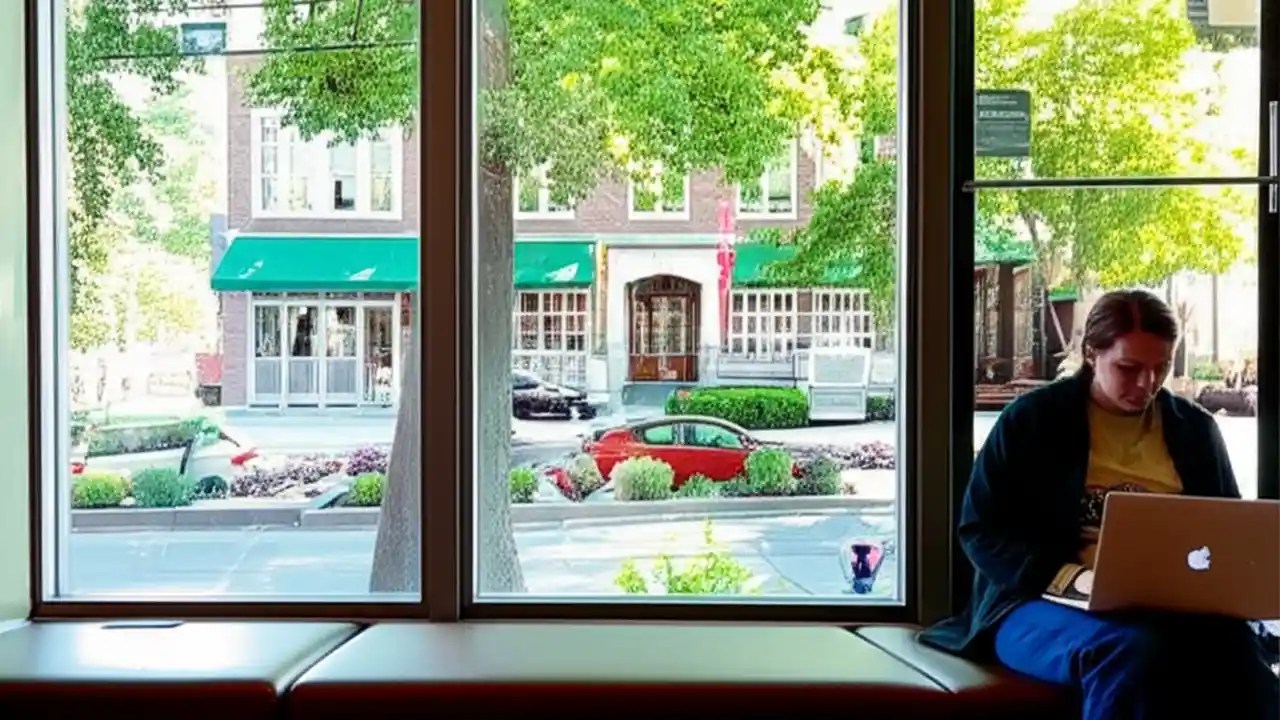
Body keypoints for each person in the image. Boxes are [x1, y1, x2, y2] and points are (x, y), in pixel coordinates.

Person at [919, 289, 1279, 719]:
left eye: (1160, 367)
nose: (1147, 383)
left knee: (1238, 652)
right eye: (1128, 368)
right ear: (1092, 354)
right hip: (1031, 604)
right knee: (1127, 655)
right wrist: (1074, 581)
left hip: (1167, 609)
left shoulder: (1195, 432)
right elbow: (979, 531)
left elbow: (1226, 533)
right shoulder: (1033, 421)